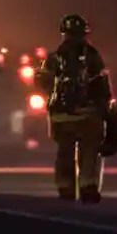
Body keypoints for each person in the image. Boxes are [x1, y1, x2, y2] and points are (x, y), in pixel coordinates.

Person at [36, 14, 111, 203]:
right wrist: (105, 108)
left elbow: (41, 82)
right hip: (88, 114)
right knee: (90, 152)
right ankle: (88, 185)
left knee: (64, 151)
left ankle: (65, 187)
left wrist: (54, 96)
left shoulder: (53, 57)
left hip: (61, 115)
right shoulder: (93, 55)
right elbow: (102, 84)